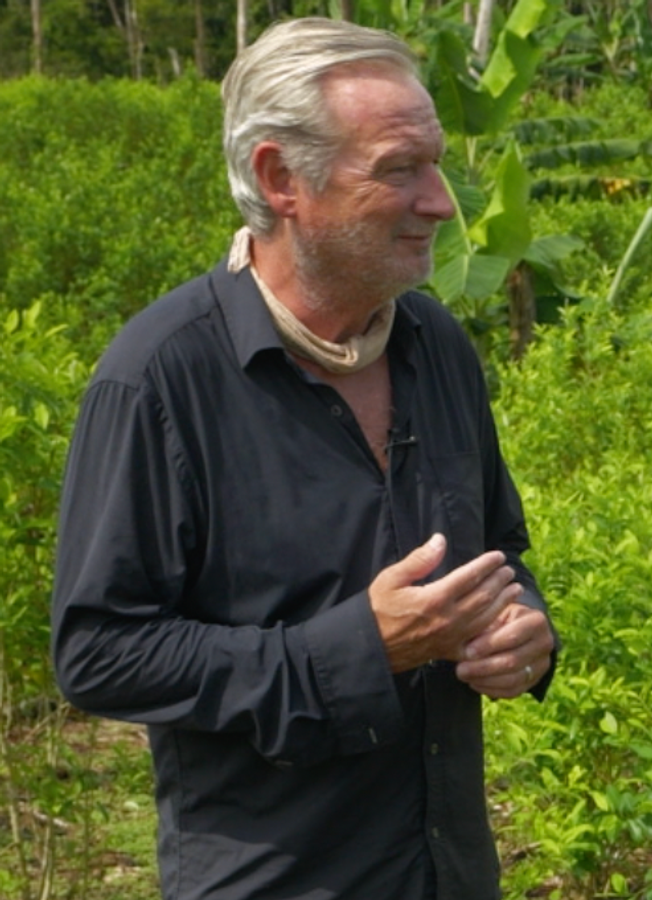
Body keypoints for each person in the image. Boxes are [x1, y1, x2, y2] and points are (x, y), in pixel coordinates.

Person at [50, 17, 558, 900]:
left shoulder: (435, 347)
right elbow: (99, 651)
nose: (442, 201)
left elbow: (500, 549)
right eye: (399, 169)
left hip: (447, 872)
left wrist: (526, 633)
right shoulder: (161, 376)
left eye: (436, 164)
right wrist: (360, 648)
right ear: (281, 179)